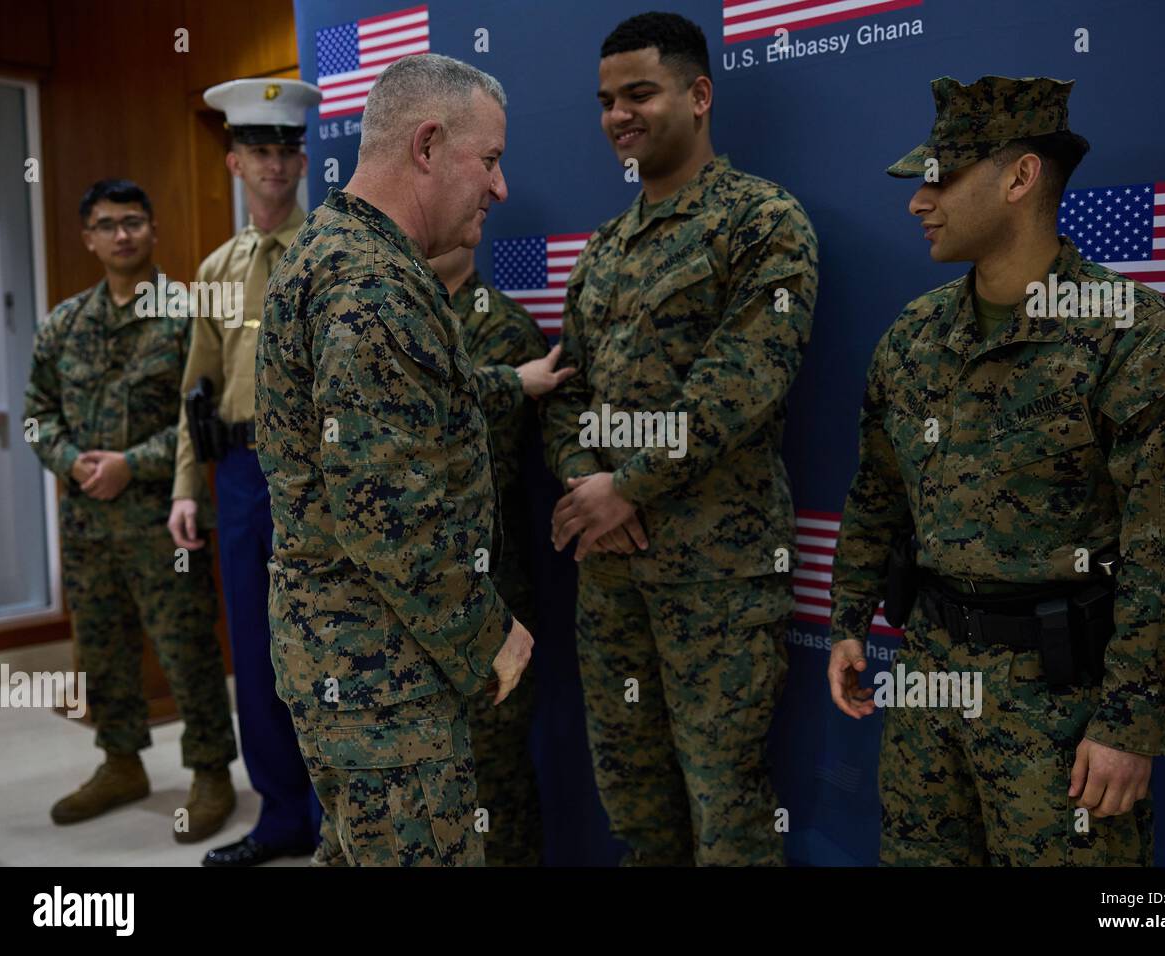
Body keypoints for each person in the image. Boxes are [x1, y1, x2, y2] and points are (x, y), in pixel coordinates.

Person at [826, 75, 1165, 865]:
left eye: (941, 178)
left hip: (1062, 708)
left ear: (1019, 178)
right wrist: (847, 618)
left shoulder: (1130, 337)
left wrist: (1130, 722)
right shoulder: (912, 338)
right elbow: (879, 495)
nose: (919, 201)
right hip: (928, 684)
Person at [540, 12, 819, 866]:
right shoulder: (603, 252)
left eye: (639, 93)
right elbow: (561, 391)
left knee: (726, 808)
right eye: (605, 100)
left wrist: (623, 487)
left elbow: (738, 385)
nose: (618, 115)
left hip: (717, 581)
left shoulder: (764, 224)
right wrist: (590, 485)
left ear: (698, 96)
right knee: (634, 801)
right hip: (611, 573)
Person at [256, 53, 533, 867]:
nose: (499, 186)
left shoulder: (328, 252)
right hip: (384, 677)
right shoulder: (374, 286)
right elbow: (391, 520)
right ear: (426, 144)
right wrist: (491, 635)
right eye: (489, 160)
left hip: (350, 664)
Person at [25, 179, 237, 842]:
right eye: (108, 224)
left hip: (163, 522)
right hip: (89, 528)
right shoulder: (64, 324)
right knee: (103, 652)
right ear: (88, 237)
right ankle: (120, 763)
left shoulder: (185, 314)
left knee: (188, 652)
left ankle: (210, 774)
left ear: (152, 230)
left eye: (134, 222)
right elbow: (37, 418)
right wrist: (69, 461)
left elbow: (201, 416)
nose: (122, 235)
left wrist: (131, 464)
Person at [167, 77, 326, 867]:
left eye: (287, 150)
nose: (275, 164)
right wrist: (185, 489)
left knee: (324, 644)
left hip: (310, 474)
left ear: (302, 161)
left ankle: (339, 818)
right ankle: (281, 816)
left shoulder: (326, 251)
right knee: (256, 652)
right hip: (235, 474)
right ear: (234, 163)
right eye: (259, 151)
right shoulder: (218, 269)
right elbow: (196, 389)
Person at [430, 244, 568, 865]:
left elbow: (473, 465)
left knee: (491, 777)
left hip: (481, 589)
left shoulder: (499, 326)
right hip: (407, 589)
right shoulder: (392, 315)